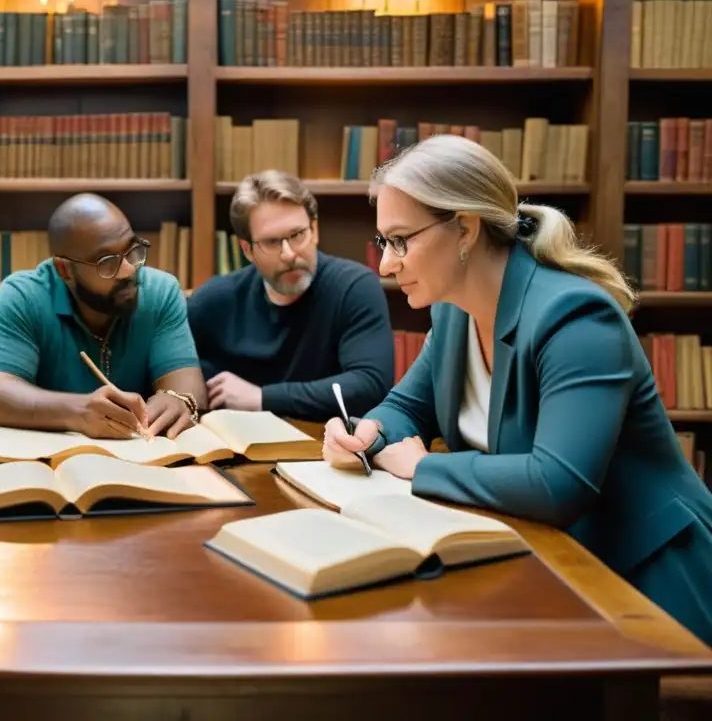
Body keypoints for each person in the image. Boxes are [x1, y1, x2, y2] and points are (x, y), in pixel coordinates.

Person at [321, 134, 712, 646]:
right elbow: (405, 407)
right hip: (553, 567)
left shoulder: (575, 317)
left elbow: (559, 483)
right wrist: (366, 433)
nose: (387, 265)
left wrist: (421, 467)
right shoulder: (454, 312)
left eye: (401, 241)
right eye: (383, 243)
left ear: (464, 229)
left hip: (647, 584)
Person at [0, 192, 206, 440]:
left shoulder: (161, 292)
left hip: (141, 457)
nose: (129, 270)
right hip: (50, 464)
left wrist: (178, 400)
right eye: (107, 262)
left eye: (132, 250)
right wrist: (80, 412)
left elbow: (190, 388)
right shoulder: (23, 295)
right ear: (65, 270)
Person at [187, 170, 393, 421]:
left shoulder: (354, 287)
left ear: (314, 230)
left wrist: (261, 398)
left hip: (327, 450)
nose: (289, 254)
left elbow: (369, 385)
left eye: (297, 235)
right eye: (272, 242)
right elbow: (172, 373)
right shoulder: (213, 301)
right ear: (247, 250)